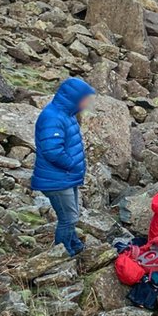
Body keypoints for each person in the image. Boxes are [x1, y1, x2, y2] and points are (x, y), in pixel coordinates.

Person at [30, 77, 95, 256]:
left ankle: (73, 243)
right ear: (73, 97)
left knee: (71, 216)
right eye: (85, 98)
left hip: (65, 176)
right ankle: (62, 253)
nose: (88, 102)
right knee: (68, 218)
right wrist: (72, 164)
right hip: (56, 179)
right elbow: (52, 151)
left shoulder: (67, 114)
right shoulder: (53, 117)